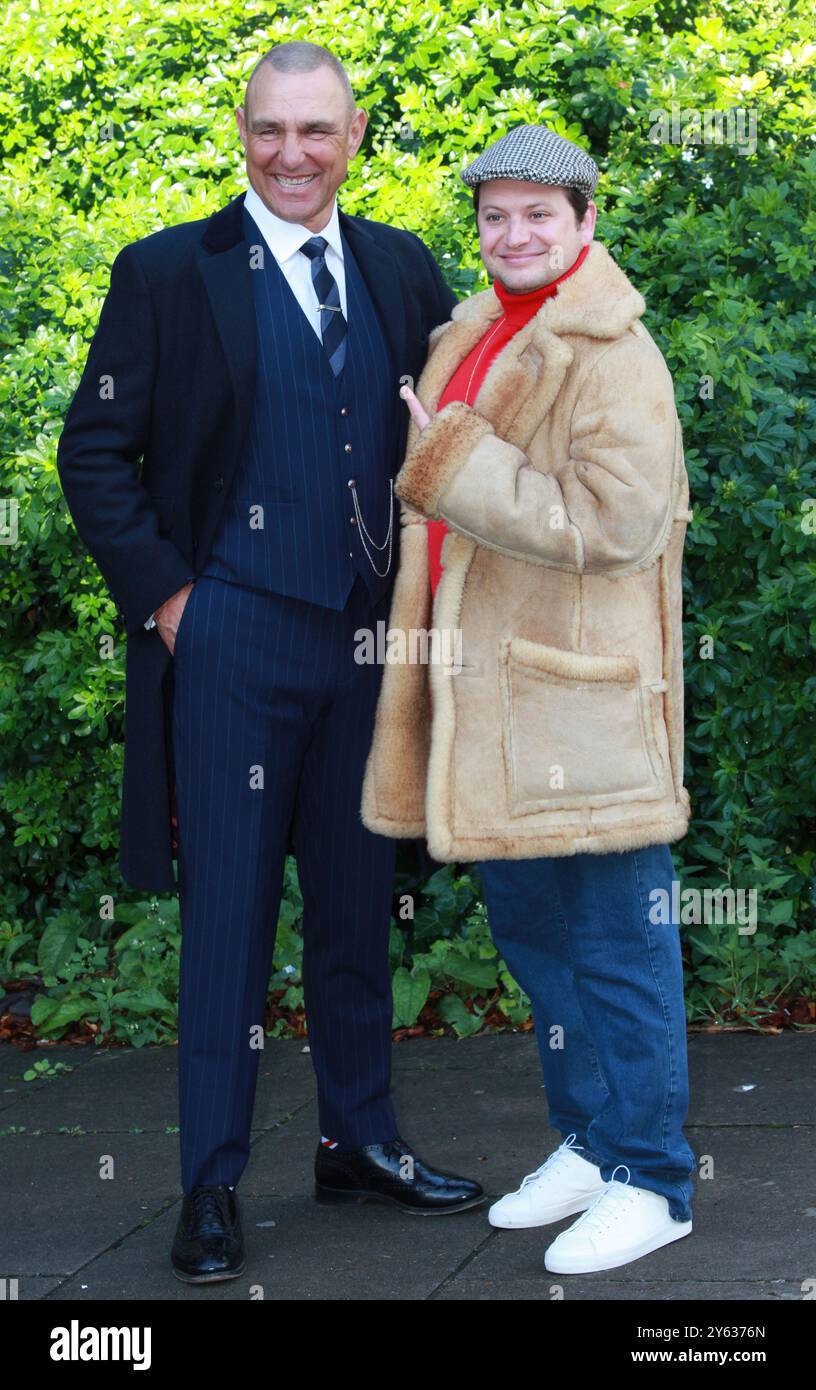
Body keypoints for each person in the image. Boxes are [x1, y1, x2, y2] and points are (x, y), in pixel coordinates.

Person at [57, 40, 485, 1287]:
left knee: (361, 906)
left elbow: (455, 423)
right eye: (270, 131)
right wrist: (176, 601)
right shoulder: (165, 274)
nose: (292, 154)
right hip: (233, 637)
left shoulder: (404, 266)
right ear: (241, 135)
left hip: (367, 645)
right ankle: (210, 1184)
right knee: (230, 923)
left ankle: (360, 1142)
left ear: (355, 136)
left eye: (318, 131)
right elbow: (94, 456)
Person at [362, 123, 696, 1275]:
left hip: (584, 710)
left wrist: (455, 461)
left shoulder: (615, 352)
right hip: (488, 707)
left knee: (619, 949)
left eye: (538, 215)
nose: (514, 234)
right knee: (540, 943)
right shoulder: (471, 329)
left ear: (585, 222)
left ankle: (657, 1178)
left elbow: (617, 523)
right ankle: (594, 1140)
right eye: (496, 214)